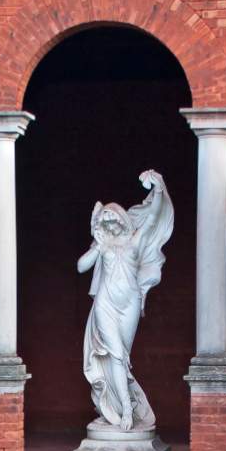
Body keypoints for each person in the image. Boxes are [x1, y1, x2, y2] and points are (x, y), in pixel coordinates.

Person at [77, 168, 174, 431]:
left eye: (113, 216)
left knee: (123, 357)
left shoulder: (135, 242)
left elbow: (153, 217)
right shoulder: (103, 246)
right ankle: (127, 410)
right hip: (105, 304)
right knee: (116, 355)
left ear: (121, 220)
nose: (110, 221)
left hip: (129, 303)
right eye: (105, 218)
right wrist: (97, 245)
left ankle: (121, 404)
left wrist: (159, 186)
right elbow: (81, 267)